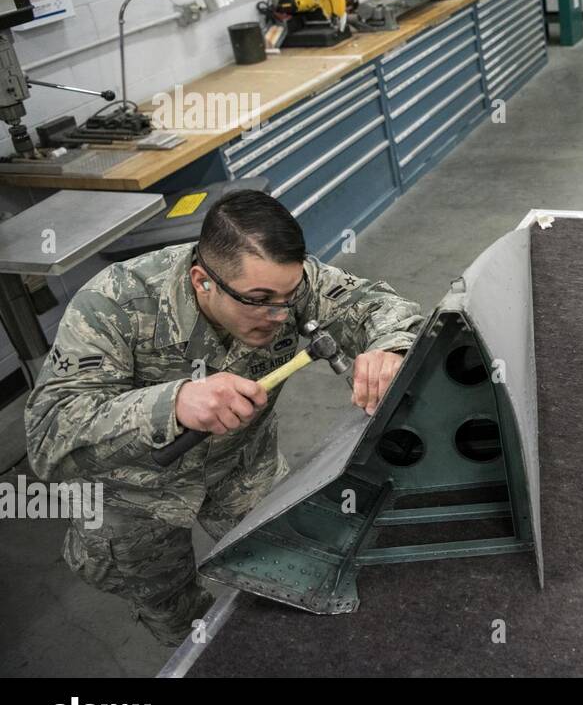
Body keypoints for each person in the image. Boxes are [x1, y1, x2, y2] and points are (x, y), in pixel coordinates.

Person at [26, 191, 423, 645]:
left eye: (288, 299)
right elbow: (48, 435)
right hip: (133, 501)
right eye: (258, 300)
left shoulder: (287, 285)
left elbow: (373, 303)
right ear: (202, 280)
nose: (278, 315)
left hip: (241, 473)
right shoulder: (113, 304)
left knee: (292, 578)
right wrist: (172, 405)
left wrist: (390, 348)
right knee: (177, 616)